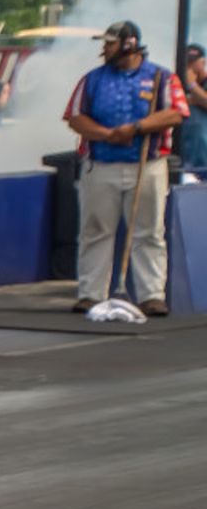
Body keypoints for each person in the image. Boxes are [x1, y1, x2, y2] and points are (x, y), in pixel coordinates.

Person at [63, 20, 189, 315]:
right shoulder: (92, 80)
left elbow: (176, 113)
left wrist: (137, 128)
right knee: (95, 230)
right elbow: (75, 117)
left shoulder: (161, 77)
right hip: (100, 164)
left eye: (110, 43)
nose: (105, 49)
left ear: (129, 44)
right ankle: (91, 293)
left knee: (149, 232)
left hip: (147, 164)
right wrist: (107, 134)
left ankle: (151, 295)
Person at [179, 43, 207, 171]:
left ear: (203, 62)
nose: (190, 66)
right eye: (188, 62)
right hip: (183, 156)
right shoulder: (178, 83)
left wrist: (191, 84)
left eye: (194, 62)